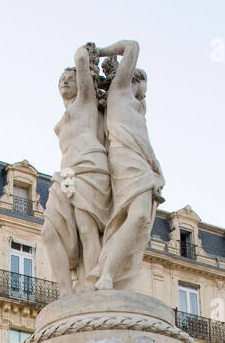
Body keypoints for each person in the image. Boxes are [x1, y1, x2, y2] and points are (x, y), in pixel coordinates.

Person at [91, 40, 165, 291]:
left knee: (138, 220)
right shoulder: (121, 90)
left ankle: (112, 274)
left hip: (142, 164)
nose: (142, 96)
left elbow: (146, 143)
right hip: (124, 159)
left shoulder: (135, 107)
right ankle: (107, 273)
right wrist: (100, 52)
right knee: (139, 216)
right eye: (141, 89)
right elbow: (132, 46)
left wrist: (156, 170)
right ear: (131, 79)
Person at [40, 44, 111, 292]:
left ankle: (91, 286)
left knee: (87, 229)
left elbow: (81, 56)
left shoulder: (86, 102)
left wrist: (96, 51)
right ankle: (65, 292)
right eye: (61, 79)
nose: (64, 81)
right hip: (67, 173)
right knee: (50, 231)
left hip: (90, 165)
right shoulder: (69, 110)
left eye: (70, 78)